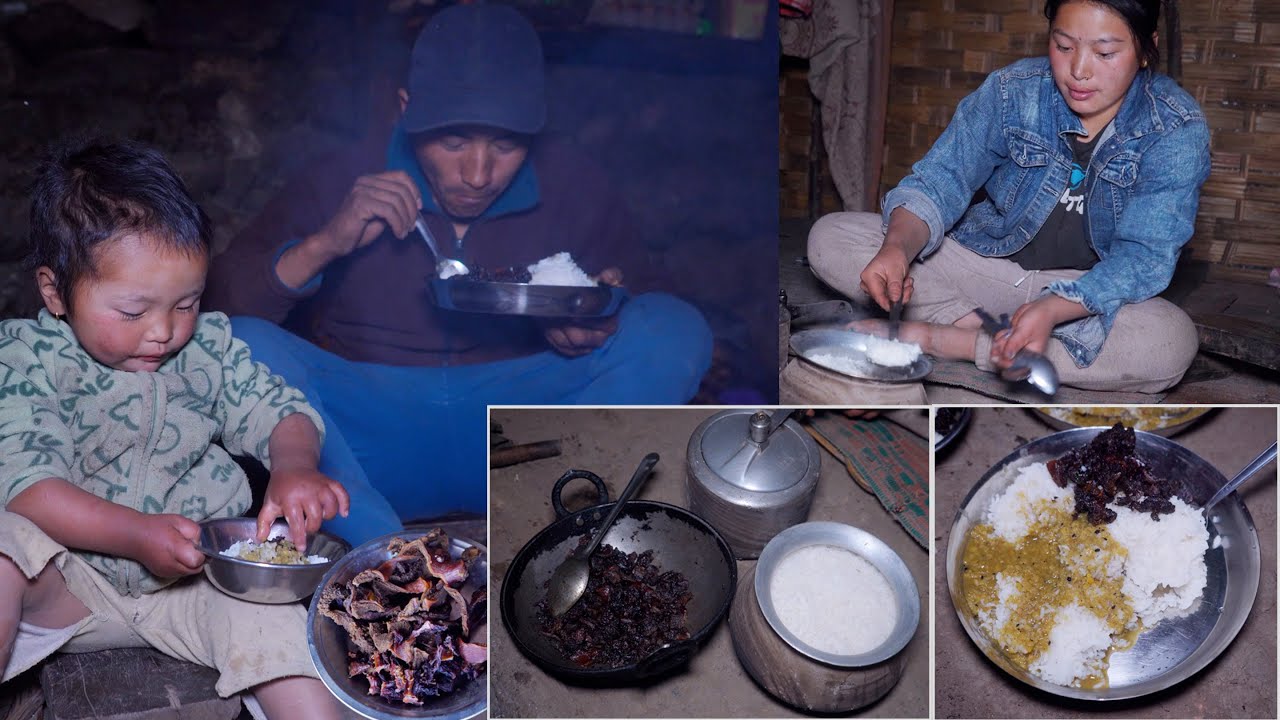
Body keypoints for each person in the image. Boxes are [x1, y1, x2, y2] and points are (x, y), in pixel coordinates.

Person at [203, 3, 713, 545]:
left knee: (675, 328)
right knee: (244, 341)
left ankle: (552, 525)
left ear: (534, 134)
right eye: (452, 142)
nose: (477, 174)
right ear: (406, 110)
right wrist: (326, 243)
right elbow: (215, 310)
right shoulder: (340, 178)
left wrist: (600, 316)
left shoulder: (575, 186)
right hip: (369, 449)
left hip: (512, 440)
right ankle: (385, 556)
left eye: (505, 144)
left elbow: (641, 302)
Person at [0, 138, 350, 719]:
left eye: (185, 303)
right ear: (55, 292)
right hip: (71, 584)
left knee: (282, 628)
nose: (162, 332)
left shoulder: (206, 351)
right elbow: (31, 486)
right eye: (133, 312)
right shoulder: (28, 359)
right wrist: (137, 535)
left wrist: (293, 466)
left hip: (200, 585)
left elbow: (278, 408)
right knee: (4, 548)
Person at [808, 0, 1209, 395]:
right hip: (984, 268)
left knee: (1169, 341)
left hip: (1080, 295)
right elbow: (940, 181)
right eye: (1064, 46)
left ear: (1145, 49)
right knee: (832, 236)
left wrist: (1051, 309)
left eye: (1105, 52)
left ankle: (944, 340)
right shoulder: (1012, 92)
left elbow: (1143, 259)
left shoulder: (1175, 127)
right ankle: (980, 329)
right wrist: (897, 247)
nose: (1079, 71)